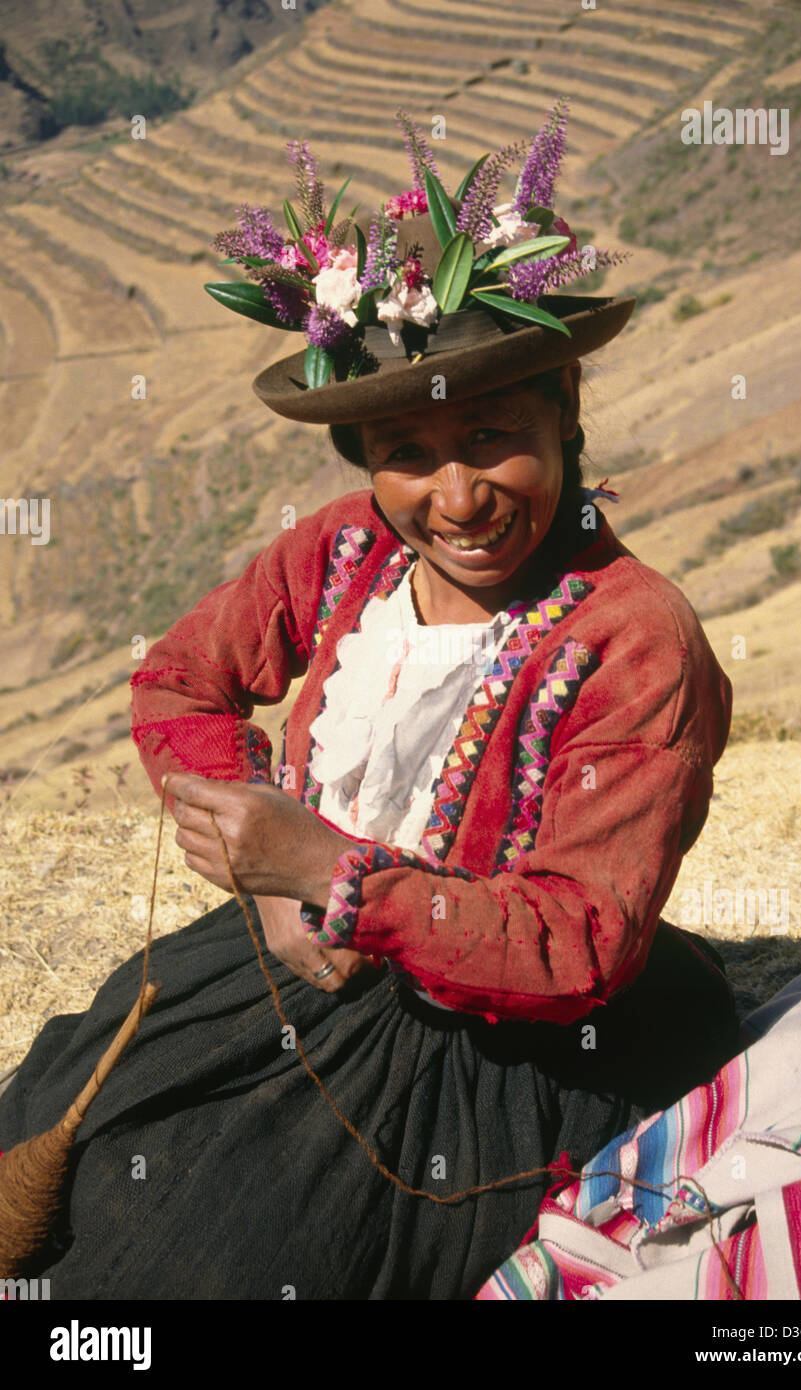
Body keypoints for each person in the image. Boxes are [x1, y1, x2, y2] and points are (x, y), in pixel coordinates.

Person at [0, 108, 741, 1300]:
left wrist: (339, 880)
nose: (457, 495)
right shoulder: (344, 552)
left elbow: (575, 942)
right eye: (409, 450)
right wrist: (264, 855)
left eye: (495, 435)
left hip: (488, 1041)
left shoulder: (630, 637)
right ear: (362, 459)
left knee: (201, 1250)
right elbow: (178, 679)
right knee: (63, 1112)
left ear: (565, 417)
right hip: (284, 954)